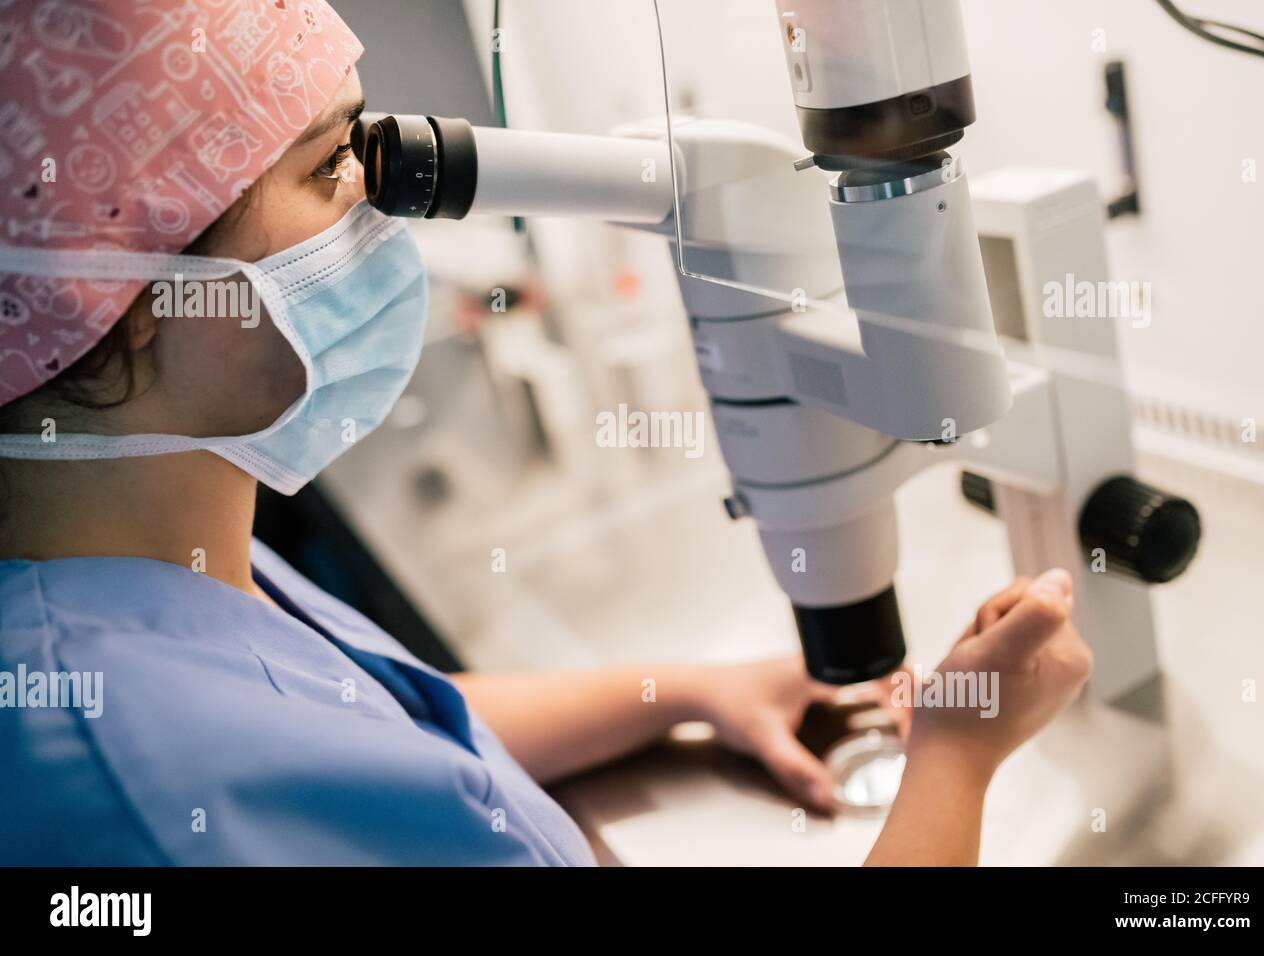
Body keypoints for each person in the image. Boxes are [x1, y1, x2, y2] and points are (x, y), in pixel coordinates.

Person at [0, 1, 1091, 866]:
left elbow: (377, 733)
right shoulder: (147, 768)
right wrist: (958, 754)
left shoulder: (139, 575)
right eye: (330, 163)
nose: (377, 200)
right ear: (131, 294)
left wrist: (688, 688)